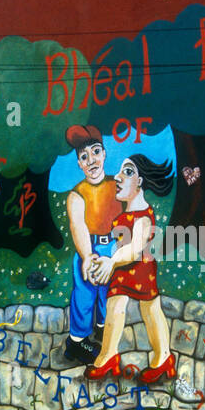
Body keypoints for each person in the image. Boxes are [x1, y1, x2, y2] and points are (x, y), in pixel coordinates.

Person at [86, 154, 175, 383]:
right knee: (116, 304)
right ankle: (109, 355)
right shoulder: (125, 214)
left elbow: (136, 248)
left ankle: (163, 356)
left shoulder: (143, 216)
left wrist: (113, 261)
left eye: (127, 172)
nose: (117, 177)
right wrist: (105, 260)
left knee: (150, 309)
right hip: (122, 267)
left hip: (140, 267)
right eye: (120, 171)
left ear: (141, 181)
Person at [63, 124, 122, 365]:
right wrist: (87, 255)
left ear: (105, 153)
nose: (91, 161)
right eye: (84, 157)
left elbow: (126, 218)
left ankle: (102, 328)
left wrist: (120, 250)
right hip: (89, 247)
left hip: (114, 247)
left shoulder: (116, 186)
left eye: (96, 152)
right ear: (78, 163)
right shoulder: (77, 194)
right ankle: (76, 343)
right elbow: (78, 225)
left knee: (109, 293)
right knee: (85, 293)